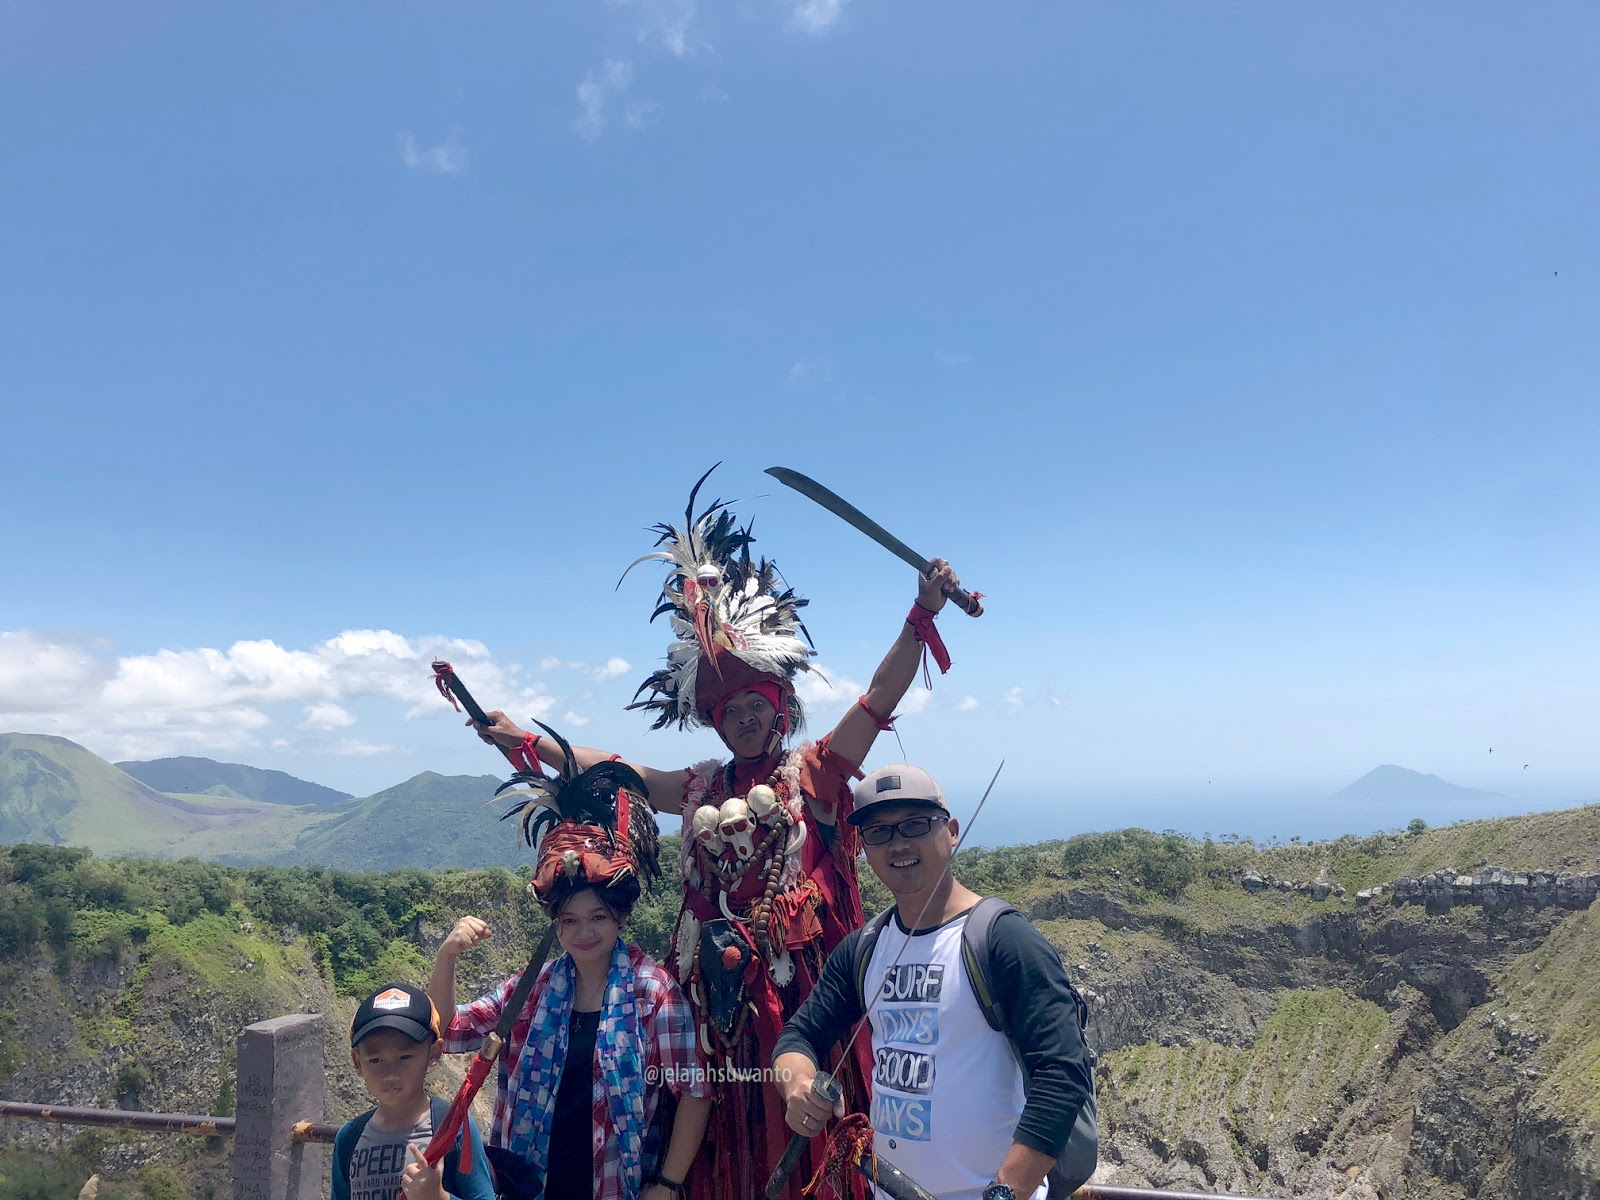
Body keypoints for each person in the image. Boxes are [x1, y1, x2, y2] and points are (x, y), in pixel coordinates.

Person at [465, 471, 971, 1200]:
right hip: (711, 1001)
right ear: (715, 720)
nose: (742, 718)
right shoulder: (699, 784)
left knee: (806, 1136)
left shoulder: (816, 774)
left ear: (780, 705)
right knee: (710, 1130)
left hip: (800, 999)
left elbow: (878, 699)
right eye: (728, 709)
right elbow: (620, 769)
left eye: (755, 704)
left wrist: (922, 613)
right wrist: (527, 740)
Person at [773, 764, 1096, 1200]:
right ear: (863, 848)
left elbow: (1061, 1073)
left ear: (952, 831)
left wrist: (1008, 1191)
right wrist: (797, 1085)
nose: (899, 844)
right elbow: (799, 1035)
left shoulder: (1000, 938)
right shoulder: (864, 948)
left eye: (915, 825)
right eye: (879, 833)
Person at [430, 732, 712, 1200]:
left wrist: (667, 1184)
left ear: (619, 916)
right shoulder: (534, 990)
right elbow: (450, 1030)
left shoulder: (652, 993)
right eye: (570, 920)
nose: (585, 933)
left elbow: (694, 1093)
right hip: (528, 1182)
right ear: (554, 925)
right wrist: (447, 957)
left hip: (614, 1183)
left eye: (598, 917)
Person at [334, 982, 496, 1200]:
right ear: (357, 1062)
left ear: (434, 1052)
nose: (390, 1074)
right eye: (375, 1060)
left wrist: (438, 1197)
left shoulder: (454, 1128)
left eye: (405, 1057)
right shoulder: (348, 1138)